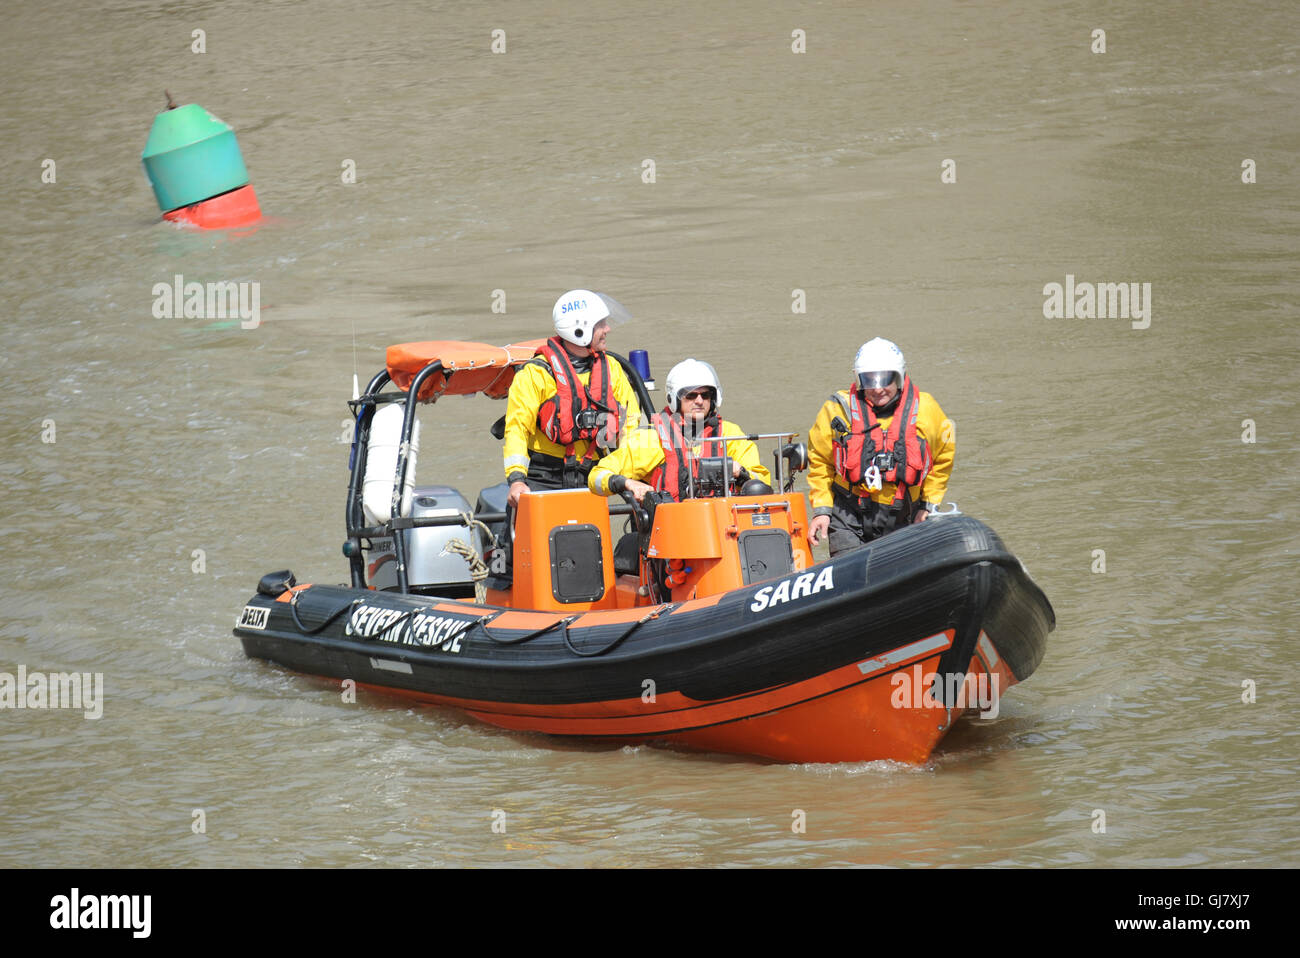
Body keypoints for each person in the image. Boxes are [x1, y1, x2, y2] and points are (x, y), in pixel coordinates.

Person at [807, 338, 953, 555]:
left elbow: (942, 459)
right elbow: (820, 462)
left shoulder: (927, 409)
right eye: (869, 380)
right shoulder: (837, 410)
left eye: (885, 379)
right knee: (851, 573)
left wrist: (928, 506)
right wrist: (822, 510)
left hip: (906, 515)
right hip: (849, 515)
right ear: (858, 379)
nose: (877, 388)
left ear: (899, 377)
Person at [504, 290, 643, 507]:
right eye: (601, 324)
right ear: (579, 329)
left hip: (594, 476)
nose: (607, 329)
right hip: (542, 478)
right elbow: (517, 429)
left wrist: (633, 474)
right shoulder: (535, 373)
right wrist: (517, 480)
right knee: (522, 538)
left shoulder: (612, 369)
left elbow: (632, 426)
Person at [589, 358, 771, 502]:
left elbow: (764, 483)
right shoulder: (653, 439)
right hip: (672, 533)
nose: (699, 401)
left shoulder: (730, 434)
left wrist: (742, 474)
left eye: (705, 395)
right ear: (675, 398)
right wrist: (627, 483)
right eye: (691, 395)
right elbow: (597, 476)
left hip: (724, 530)